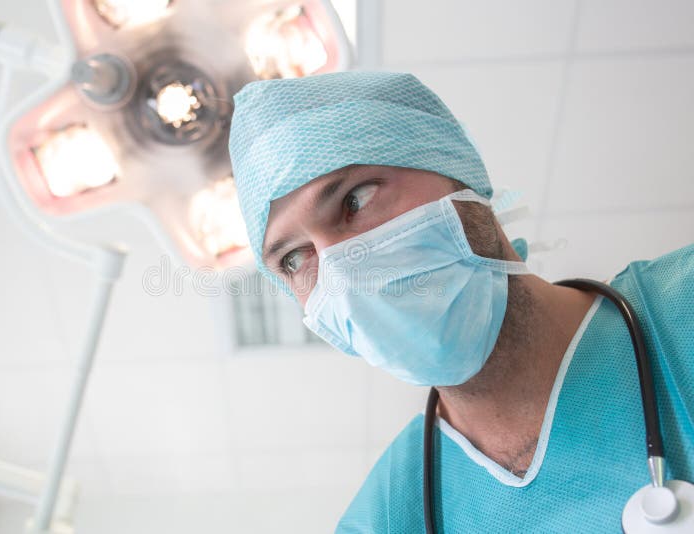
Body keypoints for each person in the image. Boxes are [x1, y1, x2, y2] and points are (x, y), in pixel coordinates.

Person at [227, 71, 694, 532]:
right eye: (293, 259)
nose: (342, 274)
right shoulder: (385, 519)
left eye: (355, 199)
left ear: (454, 169)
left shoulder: (681, 312)